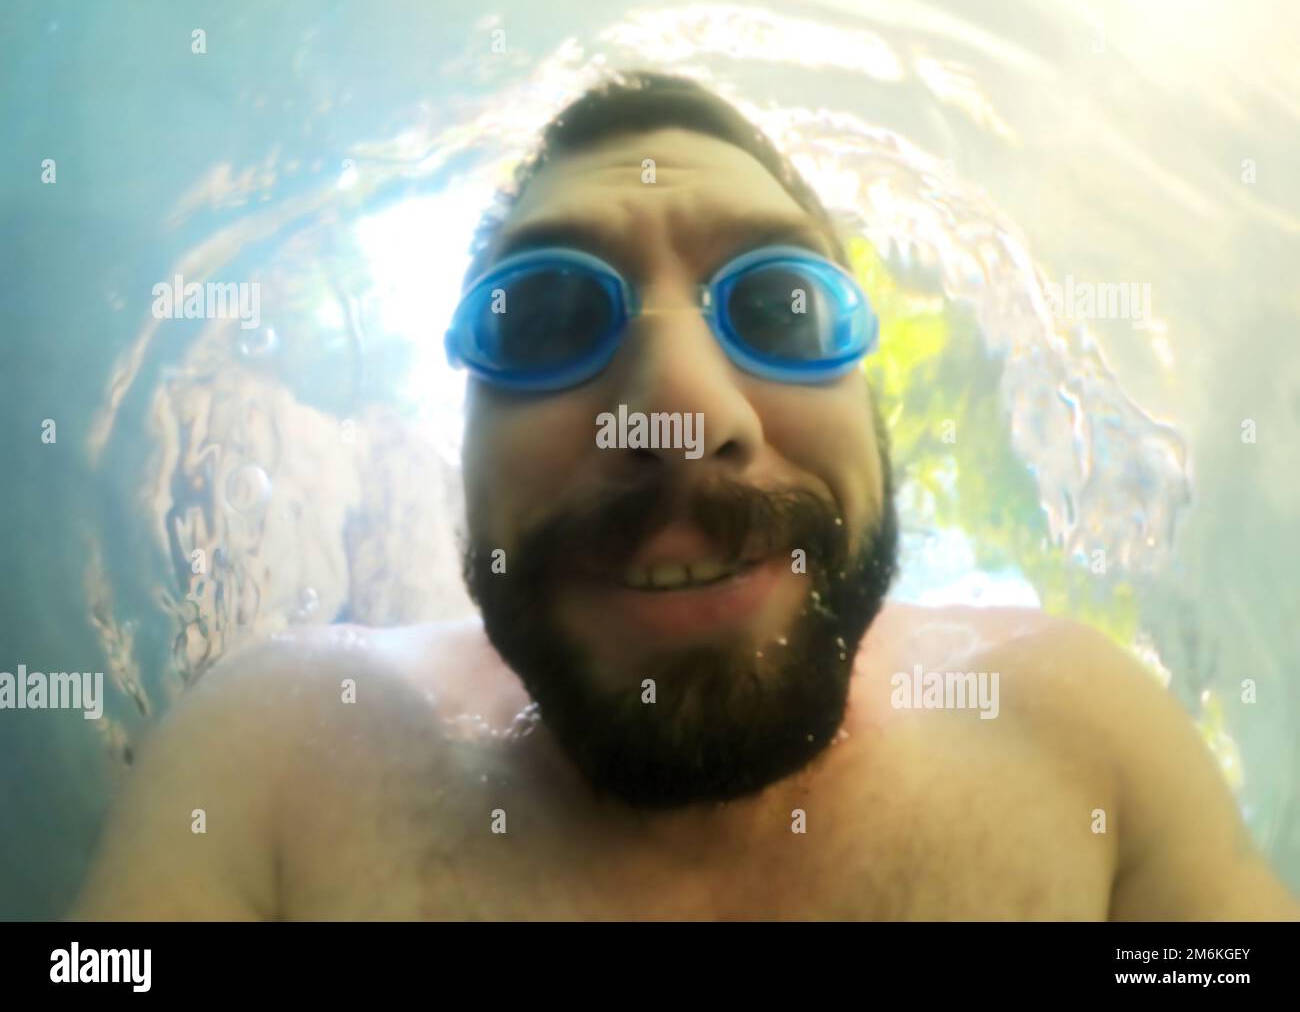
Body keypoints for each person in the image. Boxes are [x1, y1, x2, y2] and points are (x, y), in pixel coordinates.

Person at [72, 71, 1298, 921]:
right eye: (547, 316)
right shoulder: (275, 762)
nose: (683, 413)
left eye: (777, 307)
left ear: (875, 411)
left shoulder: (1082, 743)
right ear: (463, 438)